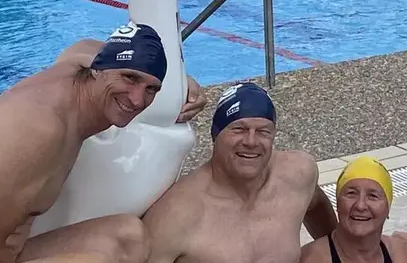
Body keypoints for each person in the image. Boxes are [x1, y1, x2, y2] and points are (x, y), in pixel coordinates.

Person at [0, 23, 209, 263]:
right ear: (98, 71)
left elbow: (84, 45)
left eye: (152, 88)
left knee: (128, 236)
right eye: (129, 79)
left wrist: (177, 83)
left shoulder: (73, 68)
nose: (138, 99)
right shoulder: (41, 131)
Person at [143, 82, 338, 263]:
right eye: (238, 129)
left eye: (263, 131)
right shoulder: (175, 213)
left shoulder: (297, 174)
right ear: (215, 135)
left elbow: (317, 205)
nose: (251, 142)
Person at [299, 156, 407, 263]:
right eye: (351, 194)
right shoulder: (309, 259)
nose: (360, 205)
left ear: (388, 208)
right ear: (338, 204)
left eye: (373, 196)